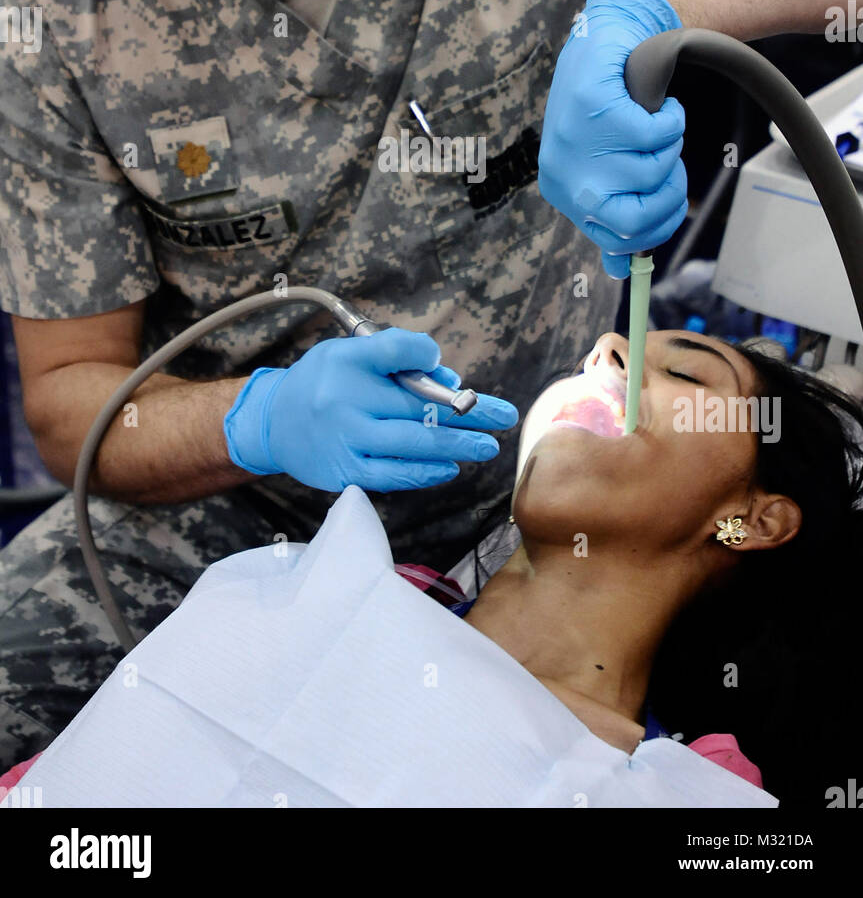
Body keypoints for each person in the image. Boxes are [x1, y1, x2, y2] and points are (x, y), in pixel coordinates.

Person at [1, 0, 863, 774]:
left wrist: (644, 8)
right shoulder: (58, 28)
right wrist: (253, 421)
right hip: (228, 518)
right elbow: (68, 407)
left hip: (531, 504)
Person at [3, 329, 860, 807]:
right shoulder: (311, 582)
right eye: (603, 353)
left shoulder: (695, 792)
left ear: (751, 519)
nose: (609, 352)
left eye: (678, 370)